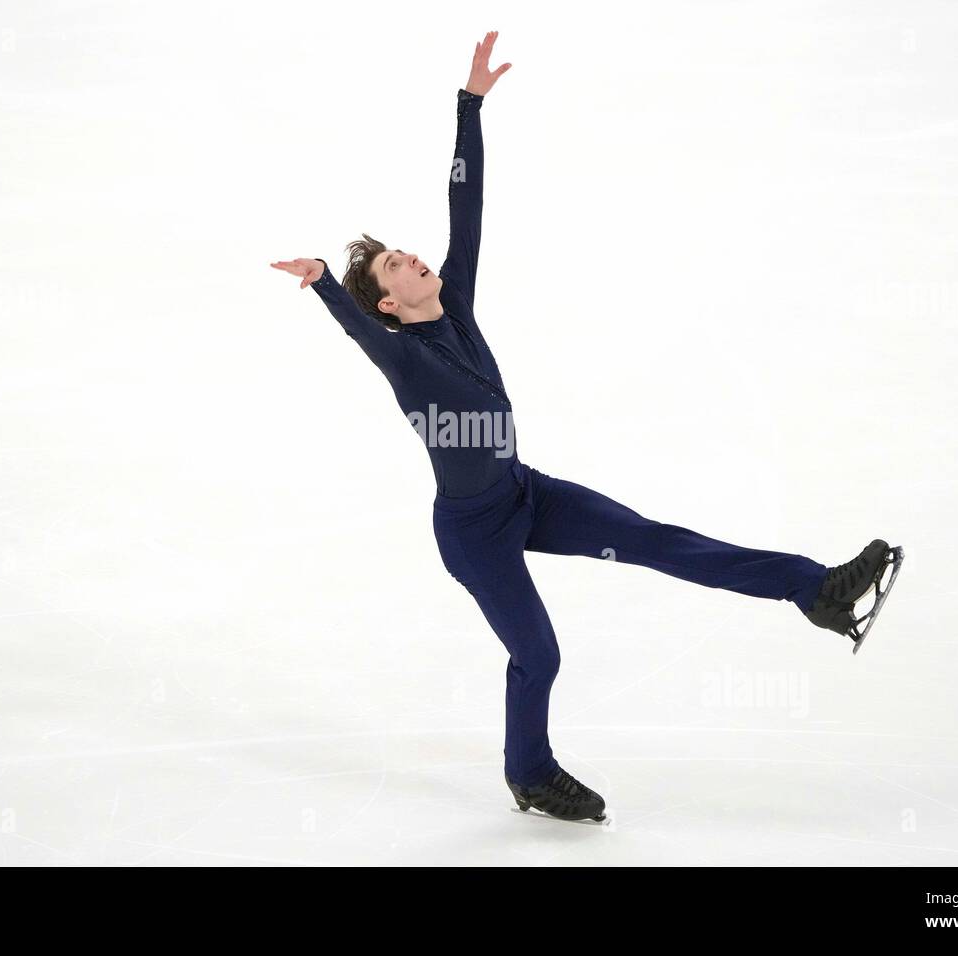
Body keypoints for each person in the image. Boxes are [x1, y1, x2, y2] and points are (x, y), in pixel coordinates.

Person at [270, 32, 902, 823]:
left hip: (526, 494)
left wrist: (469, 107)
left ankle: (815, 590)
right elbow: (358, 333)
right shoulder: (403, 357)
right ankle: (529, 774)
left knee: (657, 538)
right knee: (538, 654)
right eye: (394, 266)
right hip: (474, 533)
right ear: (389, 303)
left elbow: (466, 206)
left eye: (405, 252)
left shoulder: (455, 305)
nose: (411, 258)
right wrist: (330, 284)